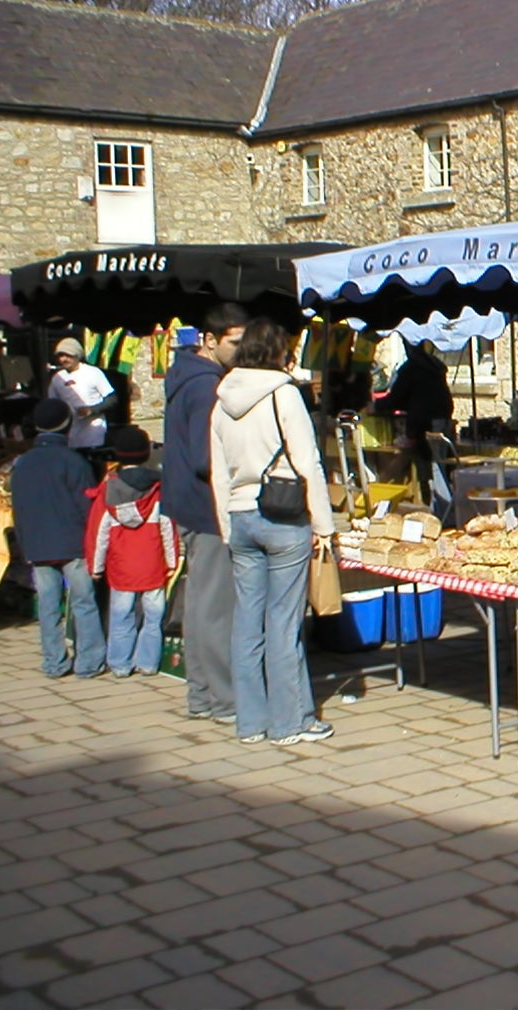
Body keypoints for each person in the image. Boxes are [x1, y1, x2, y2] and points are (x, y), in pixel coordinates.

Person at [210, 319, 336, 747]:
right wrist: (324, 524)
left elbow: (218, 471)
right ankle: (290, 722)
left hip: (240, 515)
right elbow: (308, 462)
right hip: (282, 517)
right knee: (284, 624)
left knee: (247, 622)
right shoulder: (284, 394)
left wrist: (228, 527)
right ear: (279, 351)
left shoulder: (221, 399)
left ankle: (251, 721)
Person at [163, 303, 247, 723]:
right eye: (234, 341)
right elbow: (205, 457)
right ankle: (223, 699)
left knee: (198, 604)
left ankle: (201, 695)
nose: (241, 348)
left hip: (188, 504)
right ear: (210, 341)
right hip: (206, 505)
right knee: (216, 607)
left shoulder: (187, 377)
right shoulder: (205, 387)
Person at [10, 399, 109, 678]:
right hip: (73, 543)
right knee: (83, 603)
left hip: (38, 544)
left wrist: (25, 542)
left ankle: (54, 662)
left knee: (48, 605)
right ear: (66, 425)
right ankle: (89, 662)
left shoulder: (23, 464)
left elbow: (17, 508)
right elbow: (88, 507)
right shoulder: (74, 462)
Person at [85, 426, 179, 679]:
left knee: (121, 616)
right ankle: (148, 663)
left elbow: (98, 532)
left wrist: (95, 567)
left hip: (121, 566)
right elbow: (168, 529)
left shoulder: (107, 491)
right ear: (147, 453)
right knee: (154, 617)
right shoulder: (158, 489)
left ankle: (120, 663)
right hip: (153, 563)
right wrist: (171, 561)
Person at [374, 335, 455, 500]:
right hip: (443, 420)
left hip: (424, 425)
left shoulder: (412, 368)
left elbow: (396, 399)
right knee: (441, 468)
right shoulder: (433, 366)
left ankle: (436, 505)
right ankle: (443, 503)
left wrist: (375, 405)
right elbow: (411, 398)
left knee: (430, 470)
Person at [47, 337, 114, 449]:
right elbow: (53, 403)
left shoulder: (93, 373)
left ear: (77, 355)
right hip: (70, 435)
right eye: (60, 356)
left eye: (68, 355)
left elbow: (112, 399)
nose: (63, 359)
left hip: (93, 433)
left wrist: (91, 410)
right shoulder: (58, 378)